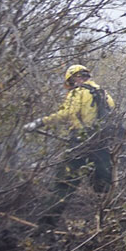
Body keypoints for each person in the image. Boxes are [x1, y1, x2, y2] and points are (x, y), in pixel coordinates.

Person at [22, 64, 115, 229]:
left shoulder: (77, 92)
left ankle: (44, 227)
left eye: (71, 82)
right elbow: (113, 113)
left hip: (80, 144)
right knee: (104, 187)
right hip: (101, 146)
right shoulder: (103, 92)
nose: (71, 86)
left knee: (63, 185)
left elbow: (65, 114)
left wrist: (40, 122)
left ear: (75, 78)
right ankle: (110, 225)